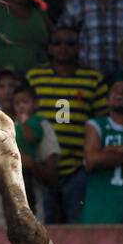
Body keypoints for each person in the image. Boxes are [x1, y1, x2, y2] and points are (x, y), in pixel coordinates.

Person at [25, 27, 107, 222]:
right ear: (50, 48)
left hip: (77, 170)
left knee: (78, 226)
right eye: (57, 43)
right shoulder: (34, 77)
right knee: (43, 227)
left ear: (79, 48)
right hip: (42, 168)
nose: (63, 47)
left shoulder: (93, 79)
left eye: (70, 43)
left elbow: (102, 122)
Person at [81, 74, 123, 224]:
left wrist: (114, 149)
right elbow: (92, 160)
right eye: (115, 90)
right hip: (101, 205)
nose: (120, 93)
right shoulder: (95, 125)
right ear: (107, 99)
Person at [3, 83, 59, 225]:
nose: (21, 106)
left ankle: (29, 210)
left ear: (35, 104)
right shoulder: (11, 123)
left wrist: (24, 123)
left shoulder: (37, 122)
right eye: (17, 103)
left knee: (26, 189)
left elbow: (30, 137)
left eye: (25, 102)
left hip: (27, 166)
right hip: (12, 164)